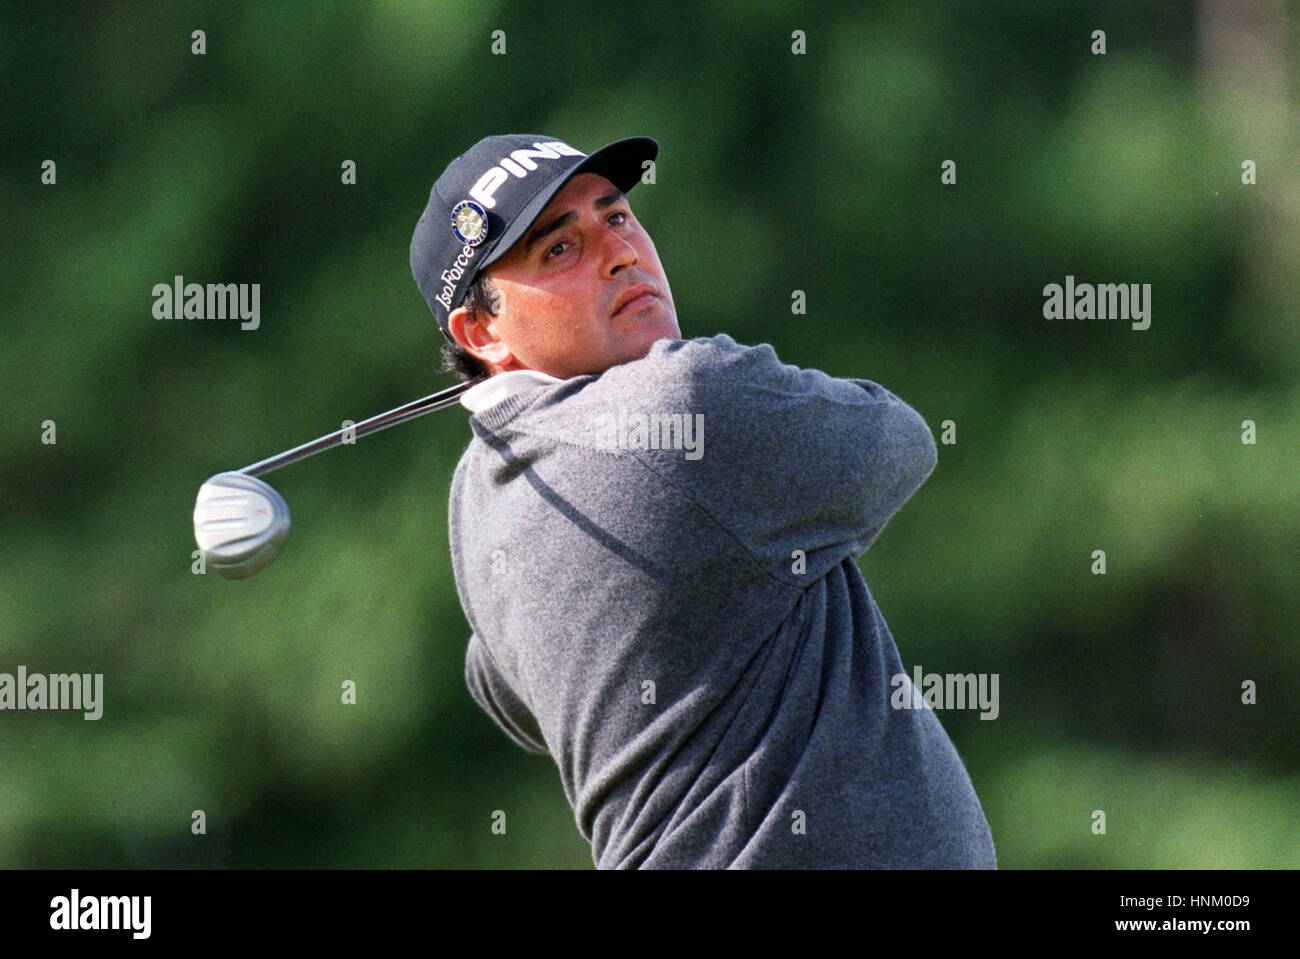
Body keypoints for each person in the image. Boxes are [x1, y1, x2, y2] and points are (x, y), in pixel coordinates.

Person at [410, 134, 997, 869]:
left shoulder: (476, 493)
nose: (618, 252)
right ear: (481, 331)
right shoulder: (681, 402)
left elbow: (502, 690)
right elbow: (897, 442)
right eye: (559, 249)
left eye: (616, 217)